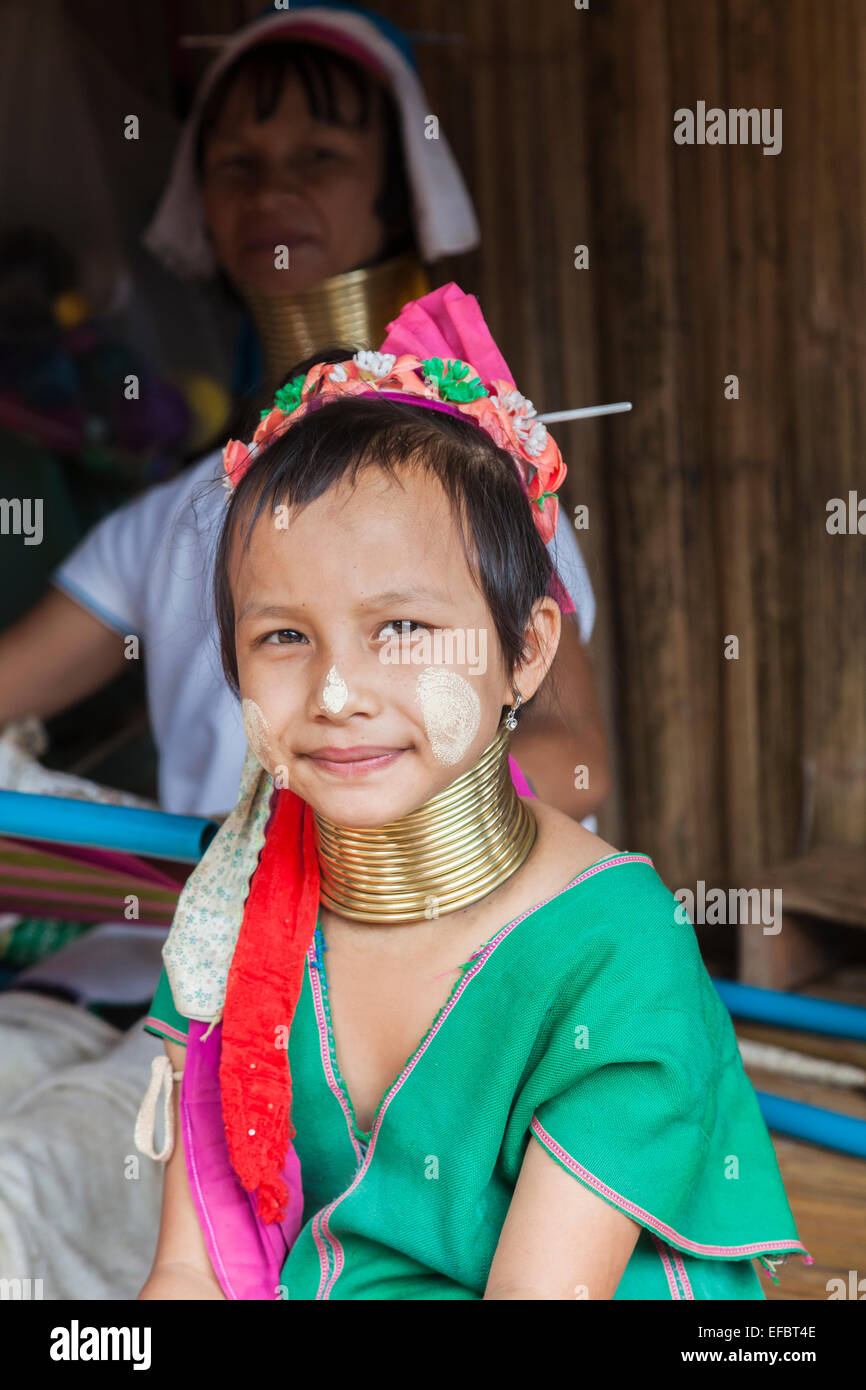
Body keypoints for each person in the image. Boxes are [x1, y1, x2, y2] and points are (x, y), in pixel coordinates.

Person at [137, 286, 810, 1301]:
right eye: (281, 635)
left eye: (400, 629)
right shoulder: (230, 906)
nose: (333, 693)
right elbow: (187, 1270)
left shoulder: (611, 951)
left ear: (525, 649)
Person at [0, 3, 608, 825]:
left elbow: (575, 765)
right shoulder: (172, 520)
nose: (271, 191)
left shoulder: (482, 476)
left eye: (317, 158)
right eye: (237, 164)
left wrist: (335, 842)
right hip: (220, 930)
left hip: (458, 938)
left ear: (396, 197)